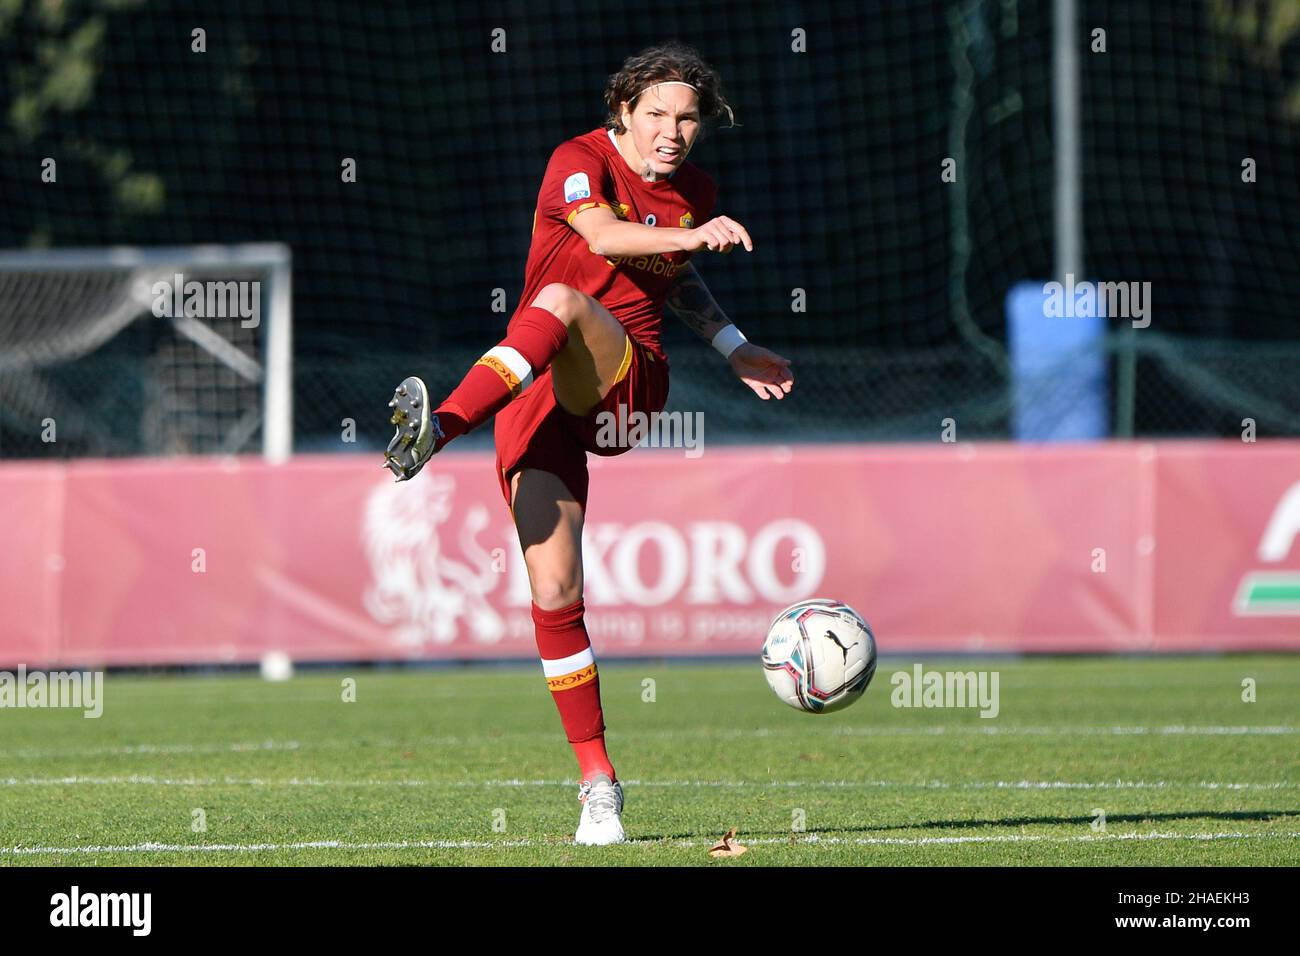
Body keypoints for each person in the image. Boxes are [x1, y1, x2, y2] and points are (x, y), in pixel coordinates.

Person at [383, 41, 793, 844]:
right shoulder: (578, 161)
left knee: (566, 301)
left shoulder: (692, 196)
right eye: (656, 116)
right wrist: (692, 237)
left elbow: (676, 276)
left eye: (687, 119)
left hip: (627, 385)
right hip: (529, 392)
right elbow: (605, 235)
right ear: (623, 114)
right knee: (554, 590)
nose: (672, 132)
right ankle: (598, 785)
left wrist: (732, 343)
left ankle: (438, 431)